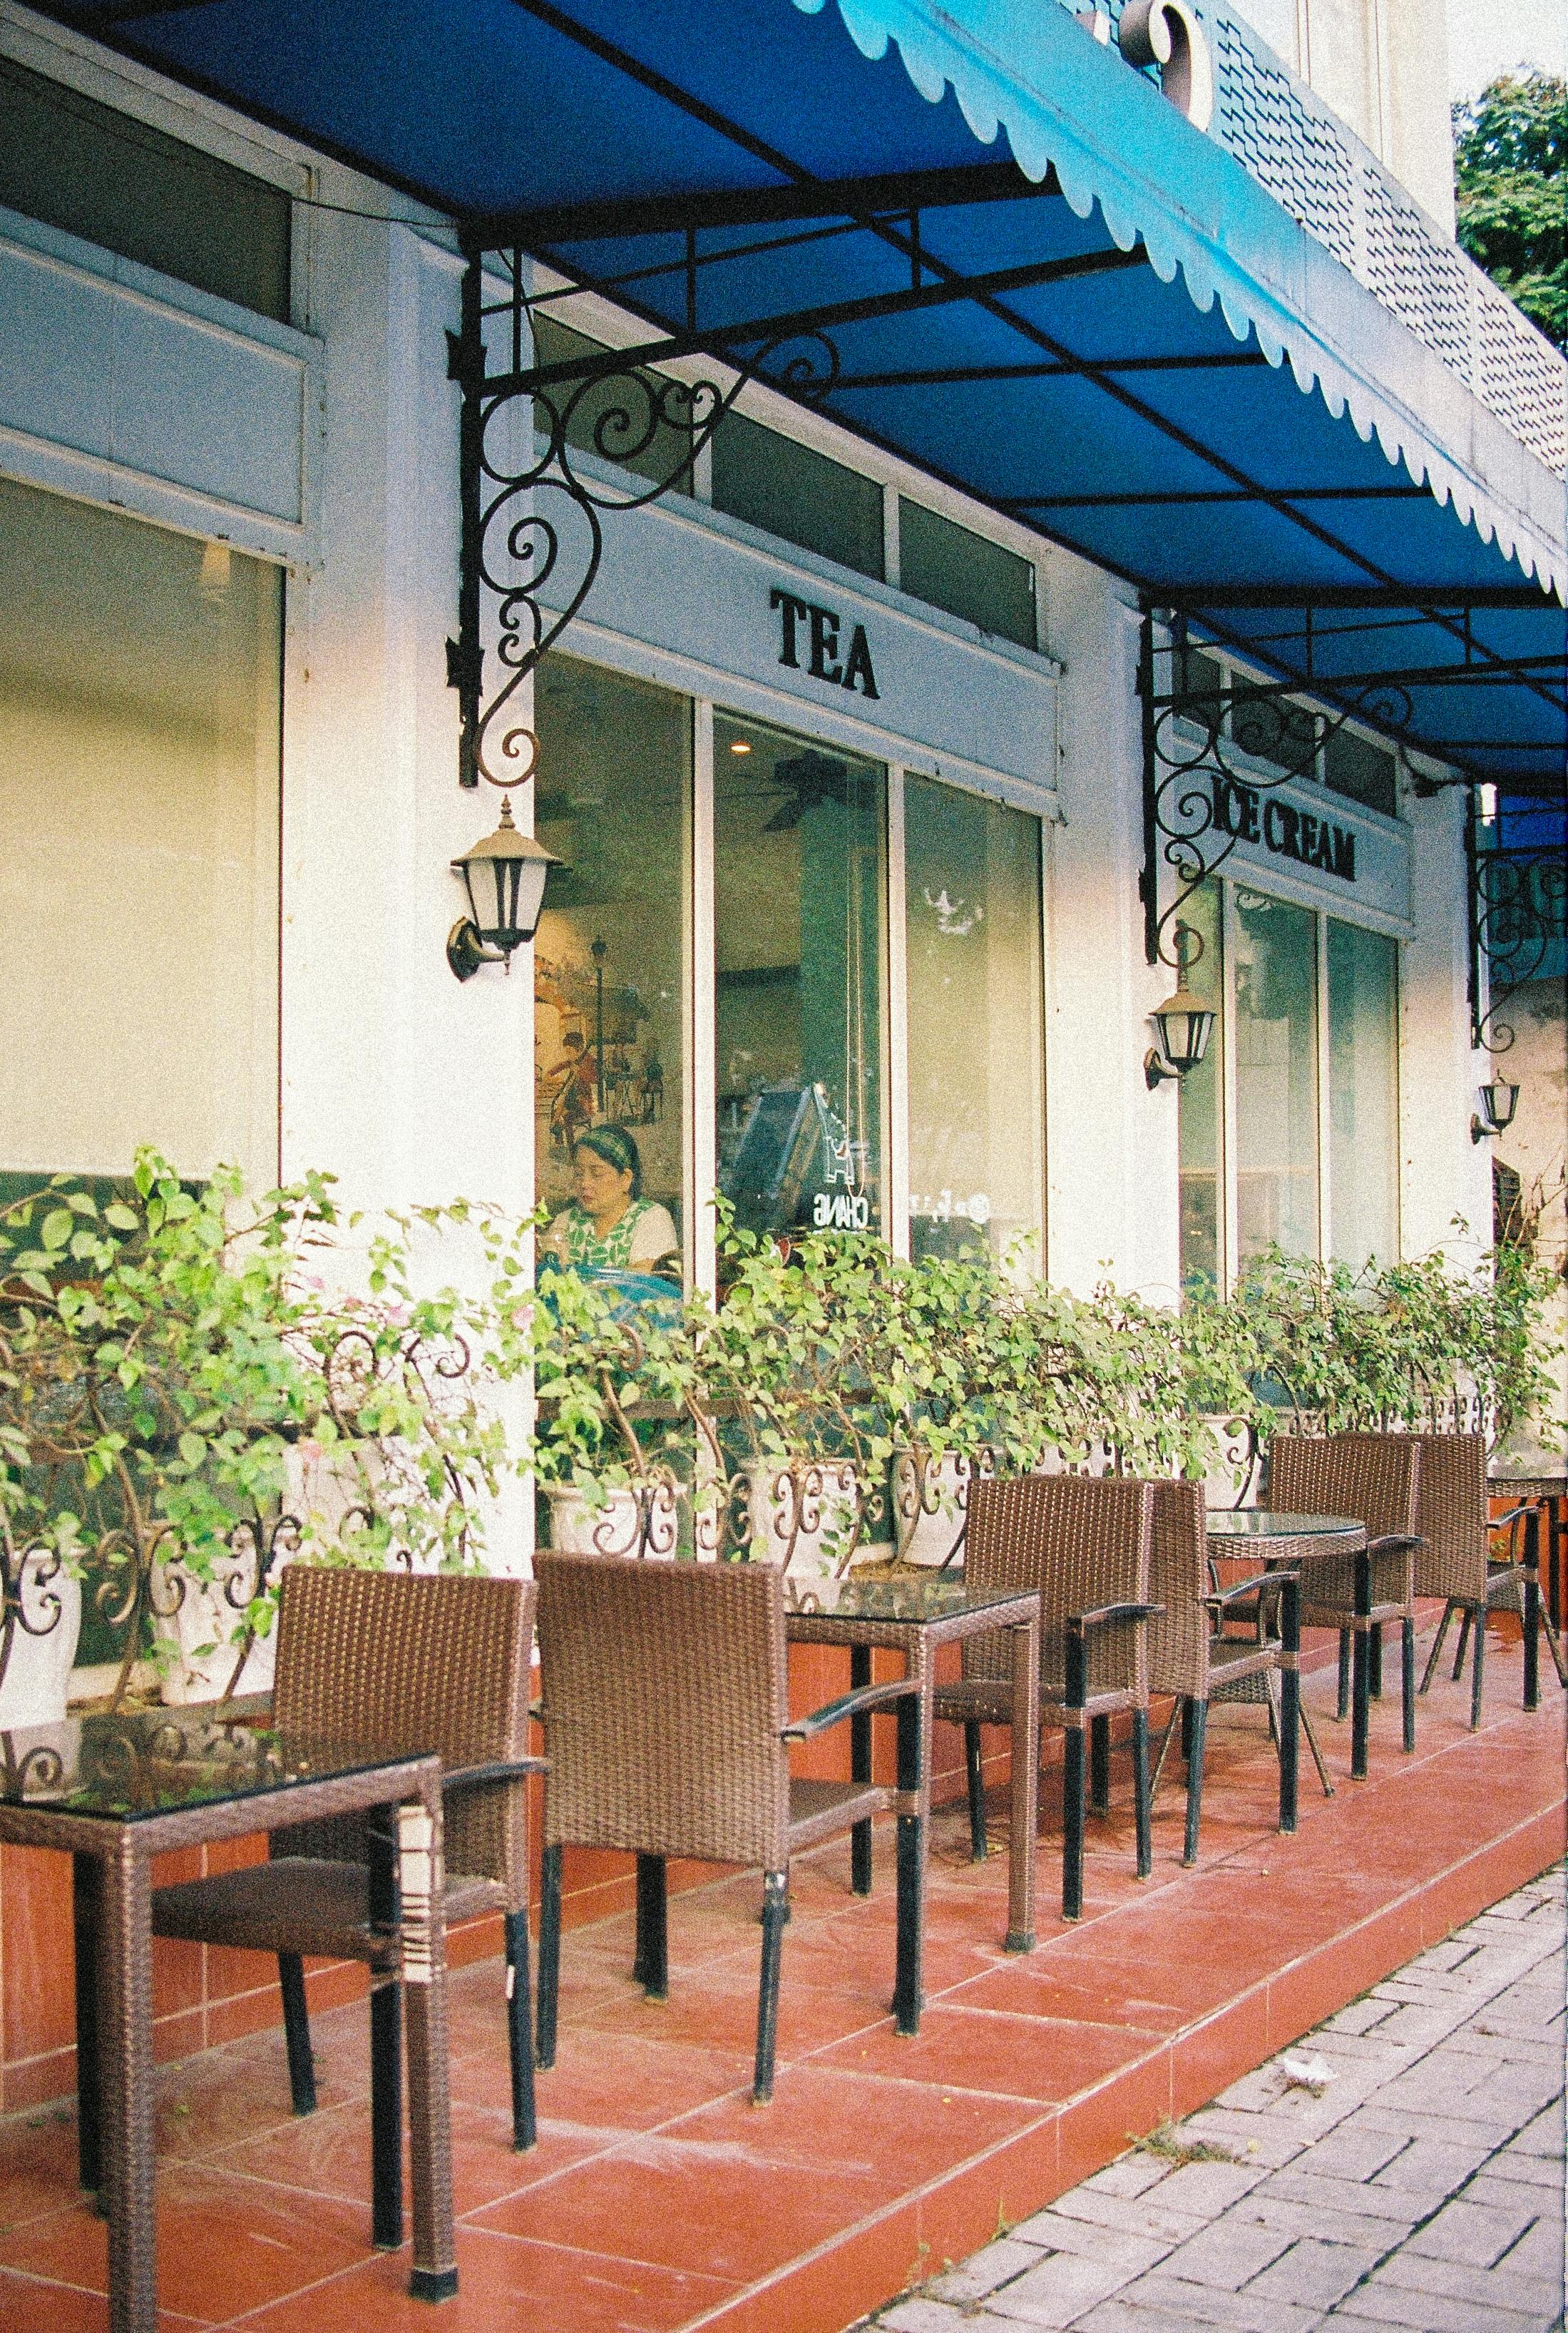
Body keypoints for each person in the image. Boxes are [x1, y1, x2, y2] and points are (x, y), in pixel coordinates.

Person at [541, 1123, 680, 1272]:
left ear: (625, 1179)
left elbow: (647, 1284)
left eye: (597, 1174)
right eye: (579, 1173)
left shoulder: (652, 1218)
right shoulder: (566, 1221)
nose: (584, 1183)